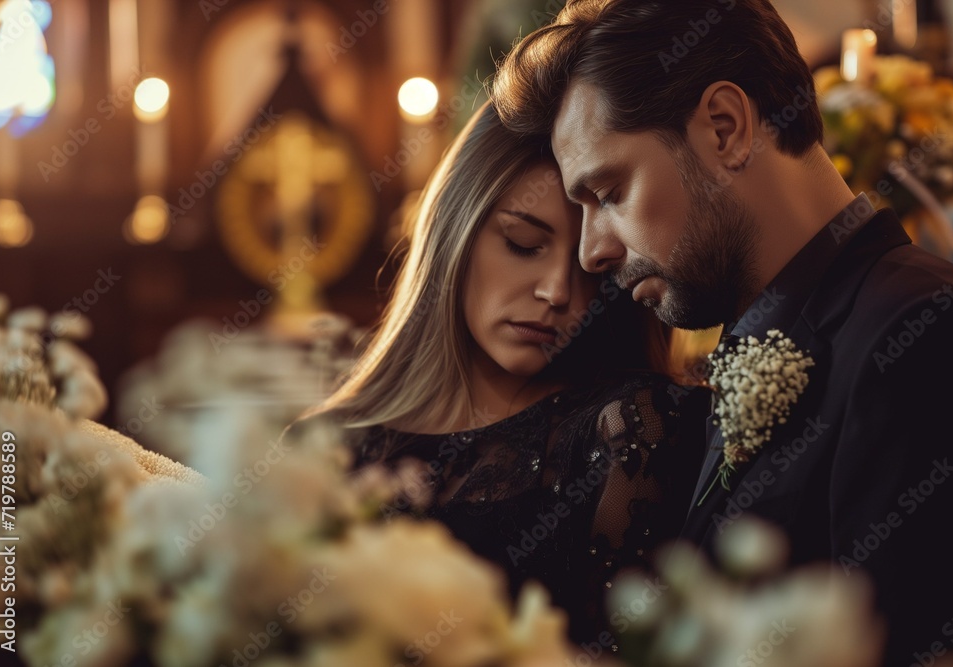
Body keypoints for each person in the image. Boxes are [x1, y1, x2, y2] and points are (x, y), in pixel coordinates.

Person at [489, 1, 953, 664]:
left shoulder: (928, 331)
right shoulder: (754, 344)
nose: (590, 252)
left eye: (608, 193)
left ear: (725, 127)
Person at [284, 102, 708, 647]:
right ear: (452, 232)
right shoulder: (319, 447)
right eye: (523, 245)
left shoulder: (629, 427)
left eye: (588, 269)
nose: (557, 292)